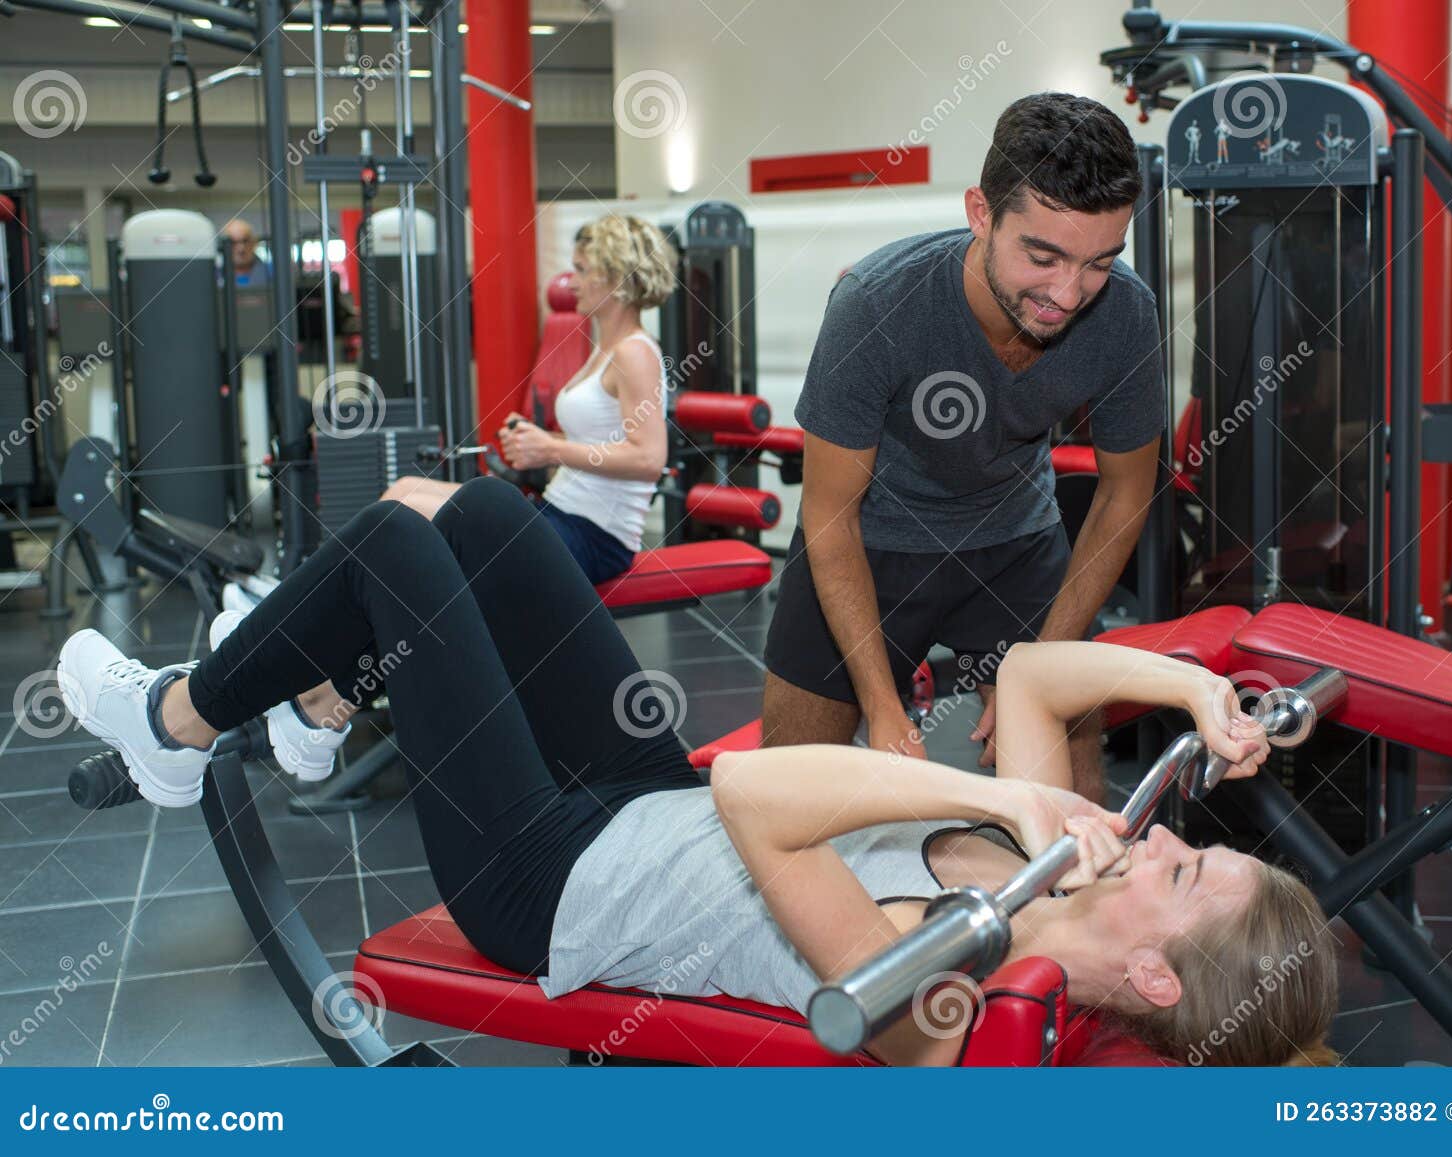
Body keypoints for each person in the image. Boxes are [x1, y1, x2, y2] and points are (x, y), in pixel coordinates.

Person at [57, 477, 1337, 1067]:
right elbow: (1030, 682)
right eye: (1197, 839)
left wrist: (993, 792)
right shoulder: (1061, 866)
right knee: (484, 515)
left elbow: (759, 801)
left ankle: (173, 724)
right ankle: (321, 697)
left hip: (547, 885)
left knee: (396, 543)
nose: (1165, 833)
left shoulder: (942, 1000)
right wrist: (1189, 690)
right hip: (643, 799)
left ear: (1157, 971)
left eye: (1186, 867)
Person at [761, 93, 1170, 806]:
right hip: (869, 544)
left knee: (1074, 795)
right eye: (1042, 256)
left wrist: (1036, 671)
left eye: (1099, 261)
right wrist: (885, 710)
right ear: (980, 213)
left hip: (1014, 542)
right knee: (791, 793)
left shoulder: (1125, 315)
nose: (1068, 293)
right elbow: (829, 516)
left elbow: (1126, 493)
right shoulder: (877, 304)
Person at [385, 214, 677, 585]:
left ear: (616, 277)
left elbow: (649, 458)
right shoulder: (603, 347)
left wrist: (550, 451)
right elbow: (597, 443)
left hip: (592, 539)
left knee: (401, 511)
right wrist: (538, 439)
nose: (572, 283)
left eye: (583, 270)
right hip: (558, 512)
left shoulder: (634, 353)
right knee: (402, 491)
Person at [222, 219, 269, 287]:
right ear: (224, 246)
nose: (241, 249)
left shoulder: (273, 274)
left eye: (245, 241)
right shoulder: (215, 276)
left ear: (254, 243)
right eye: (233, 242)